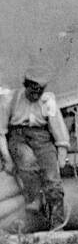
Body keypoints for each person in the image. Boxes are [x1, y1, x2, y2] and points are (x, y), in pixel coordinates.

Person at [0, 67, 69, 230]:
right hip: (18, 136)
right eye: (33, 89)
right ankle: (34, 199)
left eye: (40, 90)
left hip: (42, 137)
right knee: (27, 160)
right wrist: (7, 158)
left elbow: (58, 127)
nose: (36, 94)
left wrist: (62, 152)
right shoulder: (10, 99)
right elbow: (1, 132)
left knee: (52, 177)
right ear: (26, 86)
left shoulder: (48, 100)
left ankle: (58, 224)